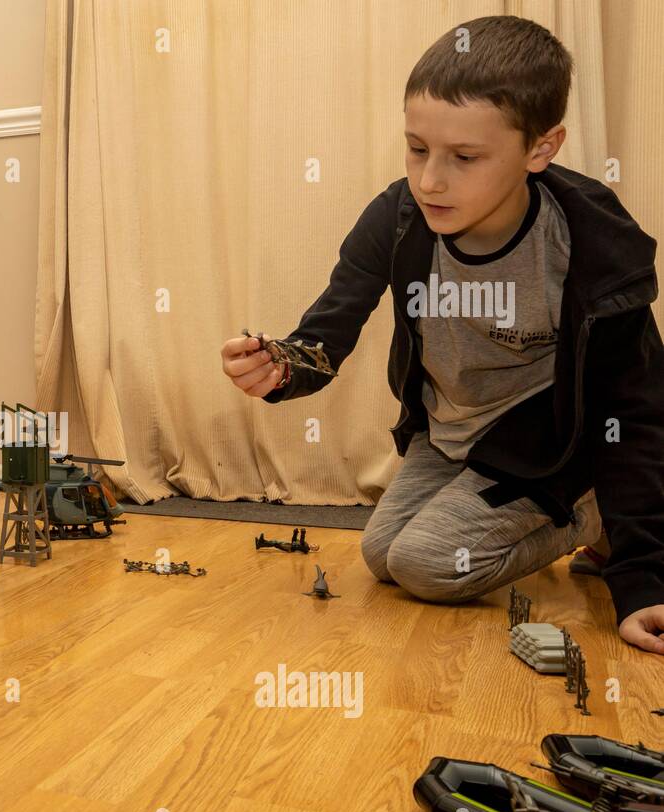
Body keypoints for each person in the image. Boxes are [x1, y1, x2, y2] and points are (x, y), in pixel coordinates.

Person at [222, 16, 664, 653]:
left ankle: (591, 512)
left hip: (550, 445)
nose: (430, 180)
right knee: (382, 554)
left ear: (541, 148)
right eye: (416, 148)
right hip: (450, 434)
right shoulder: (396, 218)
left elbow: (637, 408)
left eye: (465, 158)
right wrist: (281, 368)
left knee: (428, 565)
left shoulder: (594, 246)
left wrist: (643, 578)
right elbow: (325, 335)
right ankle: (560, 516)